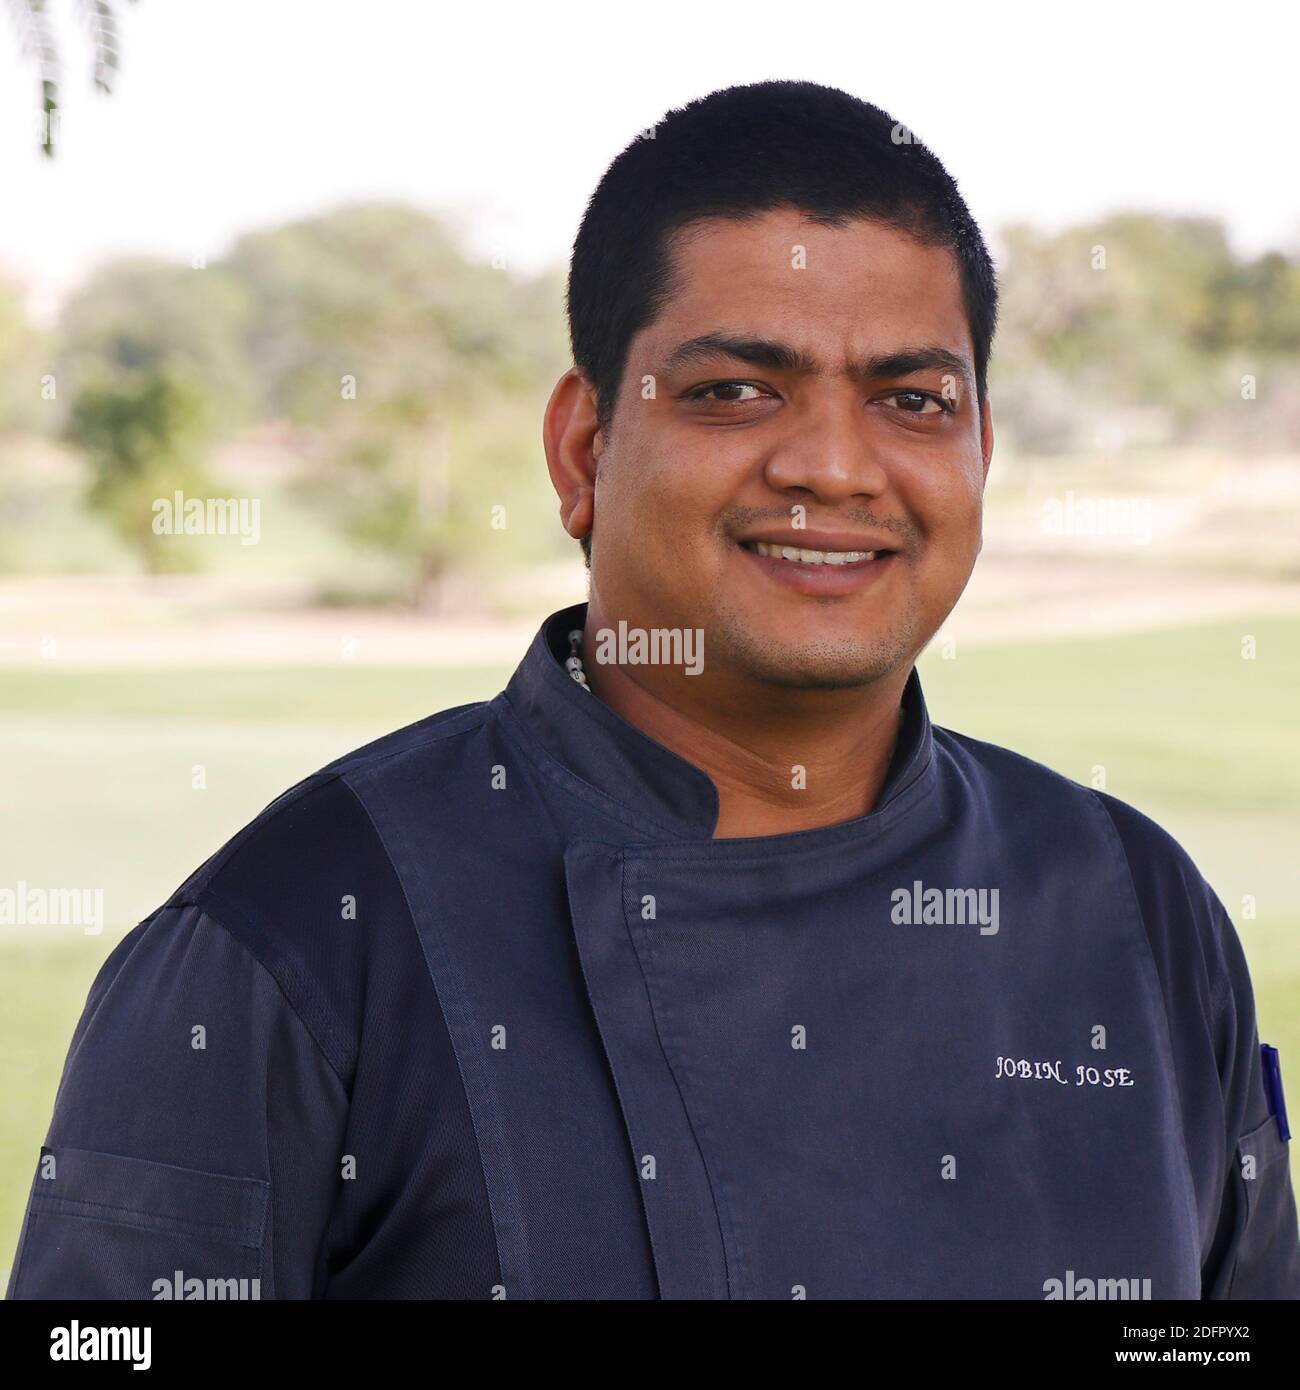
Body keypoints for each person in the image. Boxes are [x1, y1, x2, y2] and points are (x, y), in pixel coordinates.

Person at [8, 79, 1298, 1301]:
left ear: (980, 452)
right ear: (584, 448)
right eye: (735, 391)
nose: (835, 466)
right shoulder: (293, 943)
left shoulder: (1140, 913)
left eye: (912, 400)